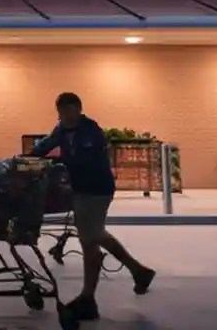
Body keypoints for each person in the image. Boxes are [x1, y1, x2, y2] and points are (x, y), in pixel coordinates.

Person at [33, 92, 155, 321]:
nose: (65, 117)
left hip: (97, 190)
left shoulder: (91, 131)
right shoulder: (62, 129)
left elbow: (83, 159)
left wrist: (58, 163)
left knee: (91, 238)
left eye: (69, 112)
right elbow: (47, 144)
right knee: (92, 237)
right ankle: (137, 272)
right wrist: (27, 157)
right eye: (61, 113)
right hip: (80, 190)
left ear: (79, 109)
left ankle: (89, 298)